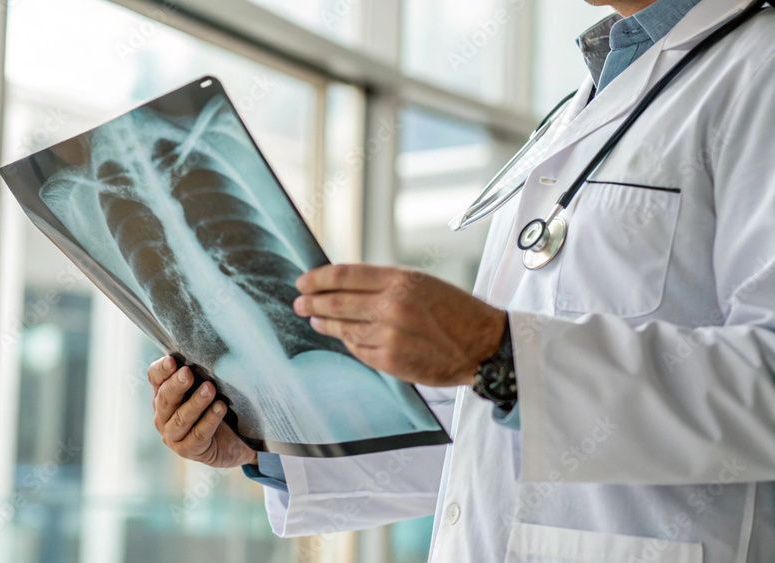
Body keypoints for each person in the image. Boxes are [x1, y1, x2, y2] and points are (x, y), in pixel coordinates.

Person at [147, 0, 775, 559]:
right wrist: (269, 441)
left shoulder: (758, 68)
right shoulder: (597, 92)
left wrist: (498, 353)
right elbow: (491, 422)